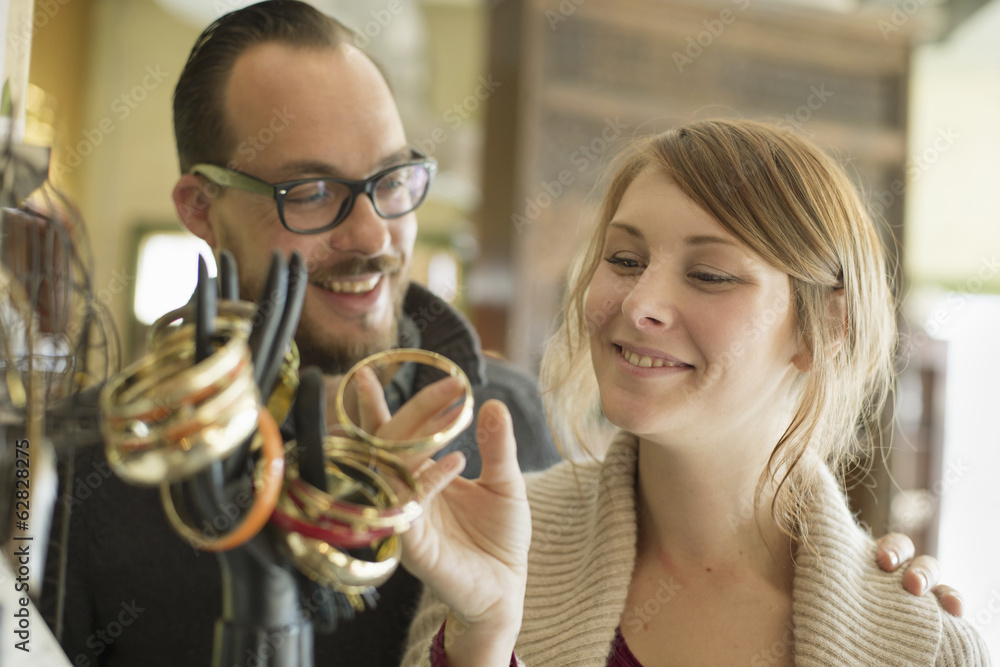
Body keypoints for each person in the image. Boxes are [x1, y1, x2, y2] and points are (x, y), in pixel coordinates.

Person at [39, 3, 959, 666]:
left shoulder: (504, 431)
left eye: (391, 181)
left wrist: (886, 605)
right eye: (309, 193)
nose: (372, 235)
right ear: (200, 209)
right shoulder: (68, 477)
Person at [396, 119, 990, 666]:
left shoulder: (924, 645)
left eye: (709, 275)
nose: (639, 303)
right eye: (625, 259)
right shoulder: (496, 540)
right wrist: (483, 642)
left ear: (825, 330)